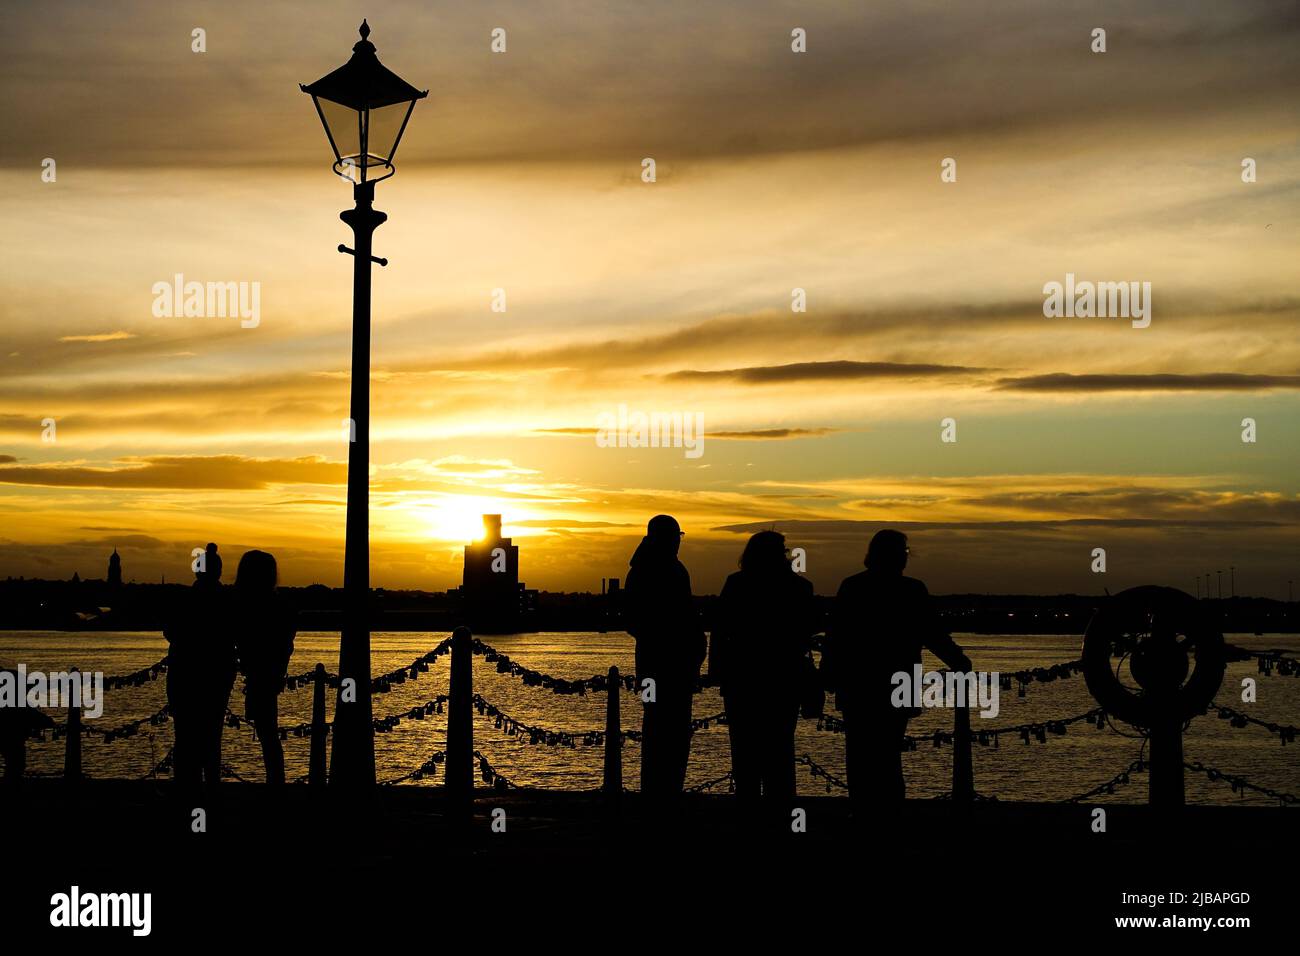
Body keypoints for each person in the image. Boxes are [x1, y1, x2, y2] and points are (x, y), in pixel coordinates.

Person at [823, 530, 971, 809]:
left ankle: (862, 811)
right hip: (898, 683)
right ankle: (890, 813)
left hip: (858, 683)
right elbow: (933, 634)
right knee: (889, 753)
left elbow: (836, 636)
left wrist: (829, 673)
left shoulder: (852, 587)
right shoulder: (913, 590)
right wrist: (959, 661)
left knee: (859, 753)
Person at [709, 531, 815, 822]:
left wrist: (717, 672)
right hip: (784, 681)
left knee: (744, 753)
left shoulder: (737, 584)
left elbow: (720, 631)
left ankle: (748, 817)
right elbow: (805, 635)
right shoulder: (800, 587)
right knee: (780, 751)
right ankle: (781, 816)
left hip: (743, 680)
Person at [624, 515, 706, 800]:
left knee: (658, 729)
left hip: (653, 664)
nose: (677, 544)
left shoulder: (641, 570)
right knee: (670, 732)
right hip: (672, 665)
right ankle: (665, 791)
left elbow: (632, 619)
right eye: (676, 537)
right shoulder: (670, 570)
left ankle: (658, 791)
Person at [164, 542, 236, 803]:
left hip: (184, 677)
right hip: (217, 679)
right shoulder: (227, 601)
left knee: (184, 738)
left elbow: (170, 632)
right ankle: (212, 792)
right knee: (212, 737)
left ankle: (186, 792)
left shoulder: (184, 600)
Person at [231, 550, 296, 786]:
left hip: (260, 674)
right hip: (270, 673)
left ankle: (275, 784)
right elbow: (287, 643)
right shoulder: (280, 606)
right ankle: (276, 783)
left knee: (267, 732)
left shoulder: (245, 606)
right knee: (269, 732)